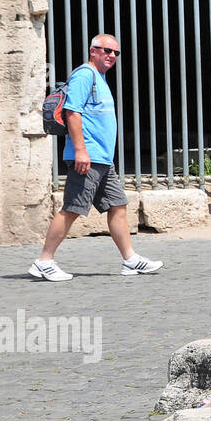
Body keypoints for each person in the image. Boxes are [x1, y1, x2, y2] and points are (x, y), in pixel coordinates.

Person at [29, 34, 163, 281]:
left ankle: (130, 260)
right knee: (72, 208)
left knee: (117, 205)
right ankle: (44, 261)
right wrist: (80, 150)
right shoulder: (84, 75)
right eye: (106, 50)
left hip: (101, 159)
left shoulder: (99, 78)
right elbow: (72, 113)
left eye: (115, 52)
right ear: (93, 51)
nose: (111, 55)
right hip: (87, 157)